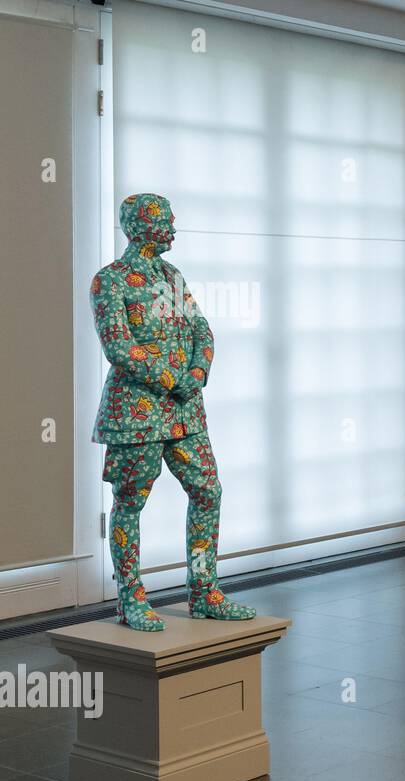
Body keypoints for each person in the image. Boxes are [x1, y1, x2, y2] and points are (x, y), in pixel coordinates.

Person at [92, 193, 256, 631]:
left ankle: (204, 591)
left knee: (207, 491)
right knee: (130, 502)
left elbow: (201, 327)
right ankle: (131, 599)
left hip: (184, 411)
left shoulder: (171, 275)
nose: (173, 225)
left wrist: (199, 369)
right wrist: (171, 378)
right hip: (136, 412)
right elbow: (119, 347)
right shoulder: (110, 280)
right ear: (140, 226)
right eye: (165, 219)